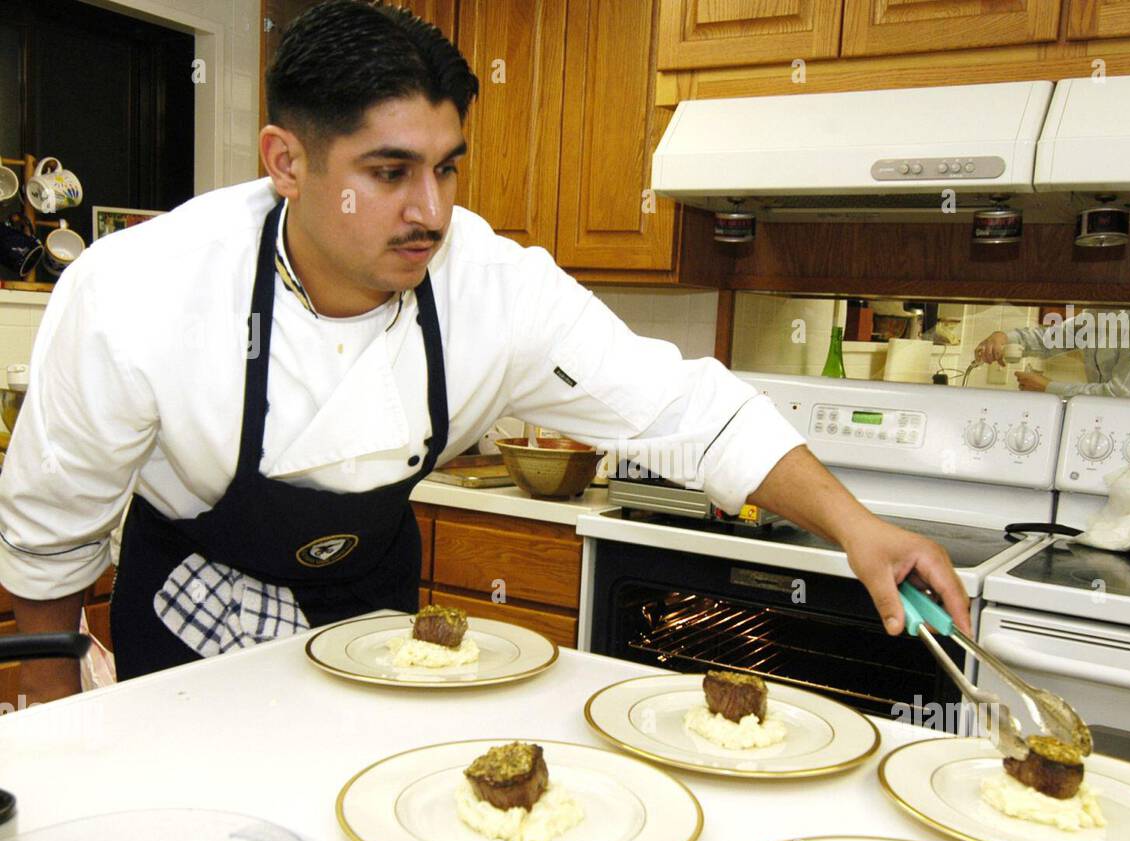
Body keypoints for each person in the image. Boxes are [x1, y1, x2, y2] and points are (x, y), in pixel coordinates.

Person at [0, 1, 969, 702]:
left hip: (375, 619)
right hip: (190, 609)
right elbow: (46, 545)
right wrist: (55, 730)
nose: (432, 210)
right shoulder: (139, 291)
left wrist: (854, 525)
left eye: (447, 167)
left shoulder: (494, 287)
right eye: (389, 173)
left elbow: (682, 411)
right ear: (286, 163)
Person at [974, 306, 1130, 400]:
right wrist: (1004, 338)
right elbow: (1049, 340)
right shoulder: (1100, 311)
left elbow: (1123, 395)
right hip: (1109, 421)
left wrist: (1047, 387)